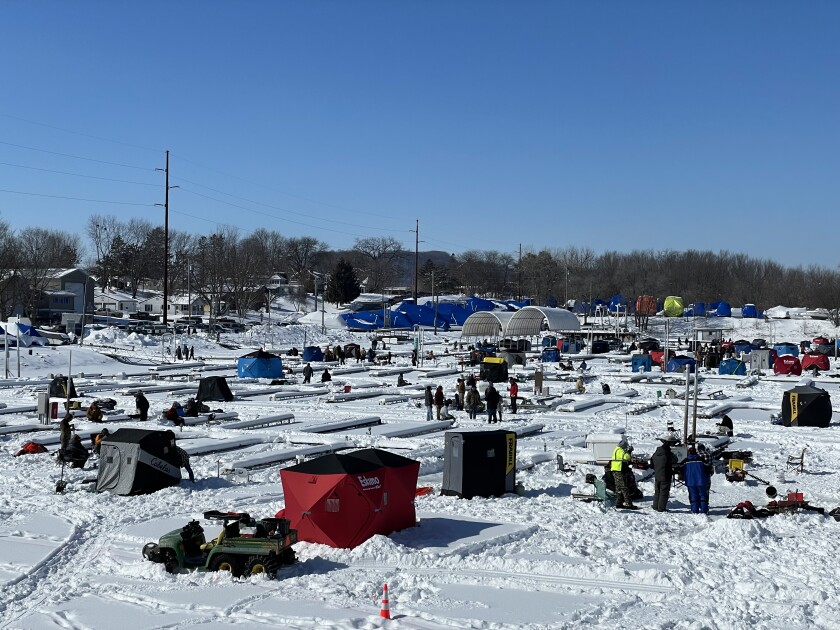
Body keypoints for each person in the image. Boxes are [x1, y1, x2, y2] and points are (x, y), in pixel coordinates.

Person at [650, 440, 678, 512]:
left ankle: (655, 506)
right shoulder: (667, 454)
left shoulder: (656, 453)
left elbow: (651, 464)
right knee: (664, 492)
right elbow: (675, 460)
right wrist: (672, 453)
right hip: (665, 475)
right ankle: (661, 508)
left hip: (657, 475)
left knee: (657, 491)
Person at [610, 437, 636, 509]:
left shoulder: (615, 449)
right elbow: (627, 457)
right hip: (619, 471)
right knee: (624, 487)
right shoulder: (620, 450)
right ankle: (628, 503)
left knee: (618, 488)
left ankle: (619, 503)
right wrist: (629, 451)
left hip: (615, 470)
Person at [683, 447, 710, 514]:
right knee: (703, 495)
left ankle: (694, 510)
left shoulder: (685, 461)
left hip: (690, 481)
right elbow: (708, 468)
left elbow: (680, 469)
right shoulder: (701, 460)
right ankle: (704, 510)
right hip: (701, 480)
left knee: (693, 495)